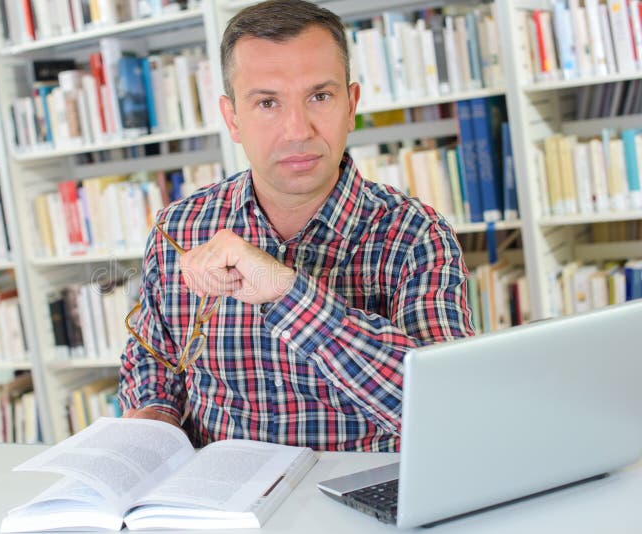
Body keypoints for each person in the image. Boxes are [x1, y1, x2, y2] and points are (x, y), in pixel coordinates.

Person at [117, 0, 474, 452]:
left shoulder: (416, 234)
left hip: (359, 504)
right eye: (267, 103)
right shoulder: (181, 226)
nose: (297, 130)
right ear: (232, 120)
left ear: (351, 104)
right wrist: (152, 422)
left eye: (319, 97)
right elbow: (153, 363)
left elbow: (447, 406)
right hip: (220, 506)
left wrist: (287, 292)